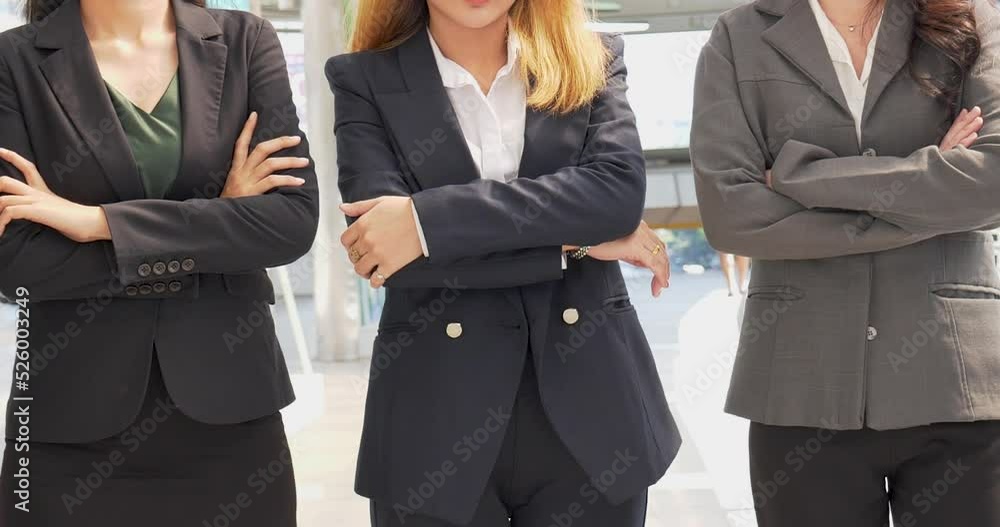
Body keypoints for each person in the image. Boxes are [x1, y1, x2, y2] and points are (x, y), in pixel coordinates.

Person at [328, 0, 682, 525]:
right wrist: (572, 243)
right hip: (434, 419)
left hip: (593, 411)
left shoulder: (592, 59)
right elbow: (388, 255)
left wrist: (427, 224)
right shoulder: (363, 79)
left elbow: (616, 197)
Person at [0, 0, 318, 525]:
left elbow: (289, 222)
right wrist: (219, 220)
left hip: (232, 420)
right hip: (66, 428)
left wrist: (97, 223)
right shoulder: (13, 62)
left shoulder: (244, 41)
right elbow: (14, 263)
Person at [692, 0, 1000, 524]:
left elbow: (990, 181)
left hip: (956, 380)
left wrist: (797, 178)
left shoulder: (974, 17)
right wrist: (927, 195)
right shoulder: (737, 36)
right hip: (798, 387)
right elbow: (731, 215)